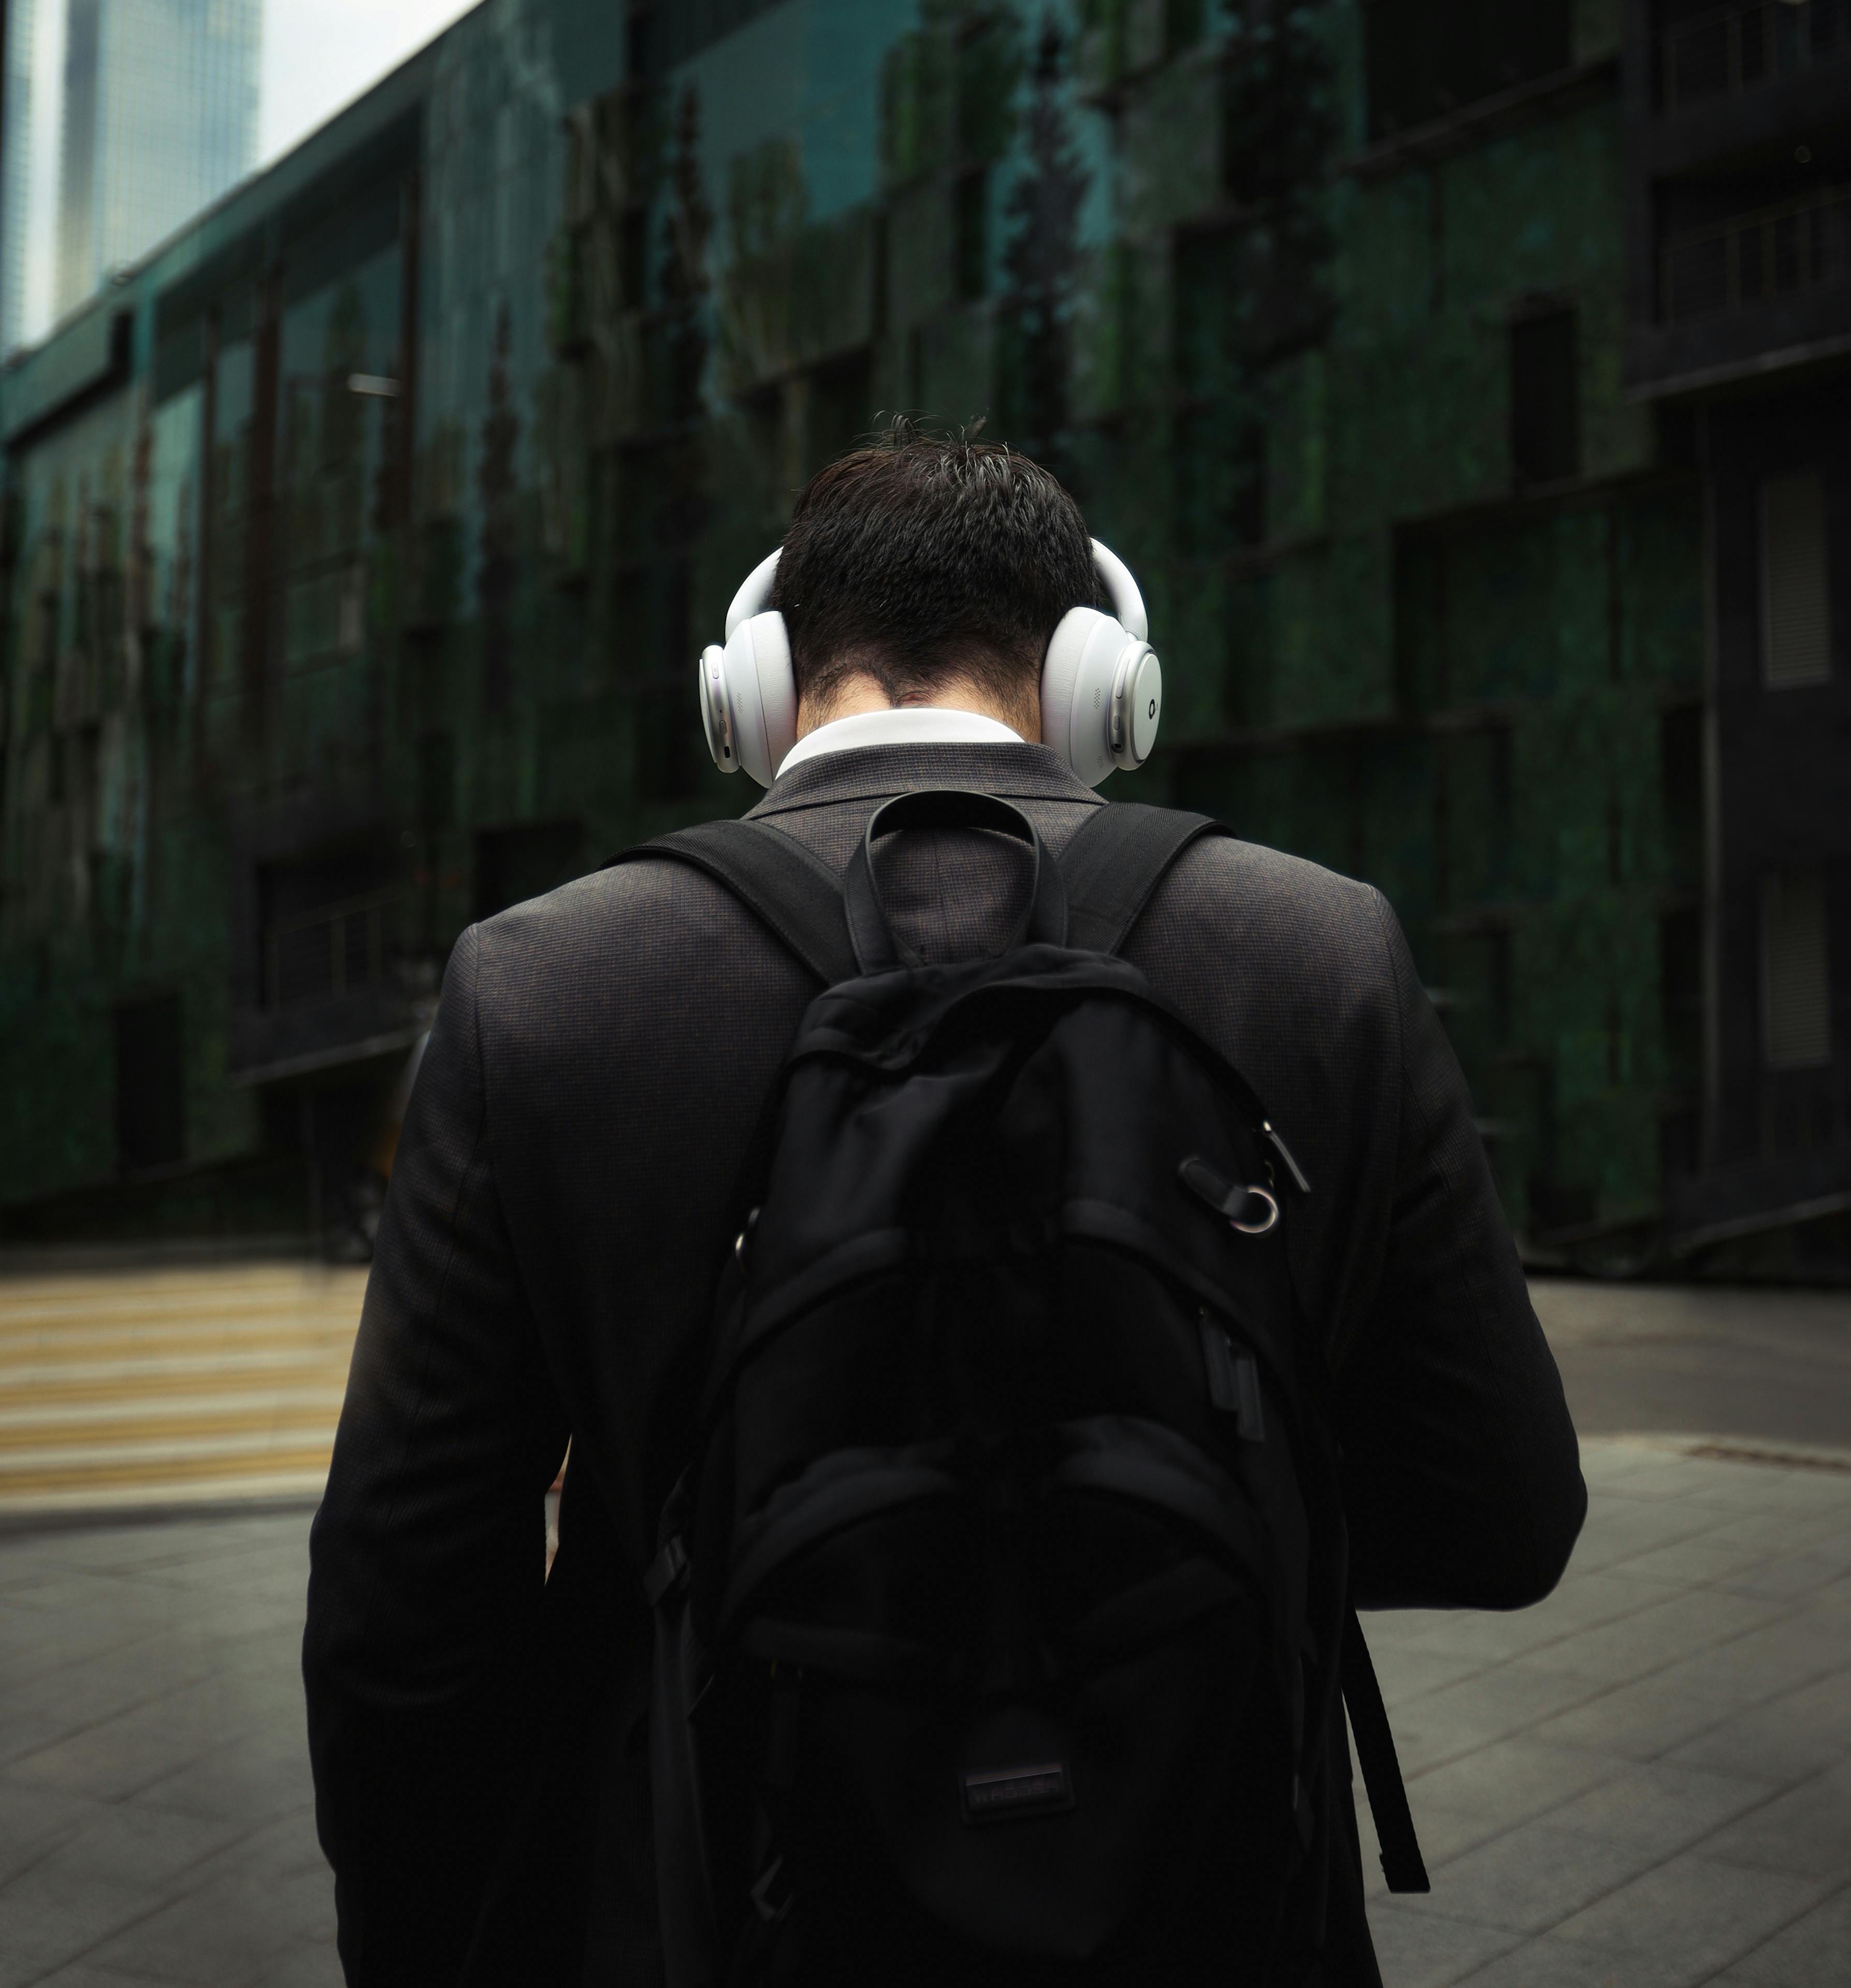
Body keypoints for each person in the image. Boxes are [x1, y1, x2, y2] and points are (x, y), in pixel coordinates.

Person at [303, 428, 1585, 1987]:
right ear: (1109, 678)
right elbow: (1504, 1511)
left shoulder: (544, 989)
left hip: (702, 1903)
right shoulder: (1319, 954)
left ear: (757, 690)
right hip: (1208, 1900)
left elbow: (406, 1617)